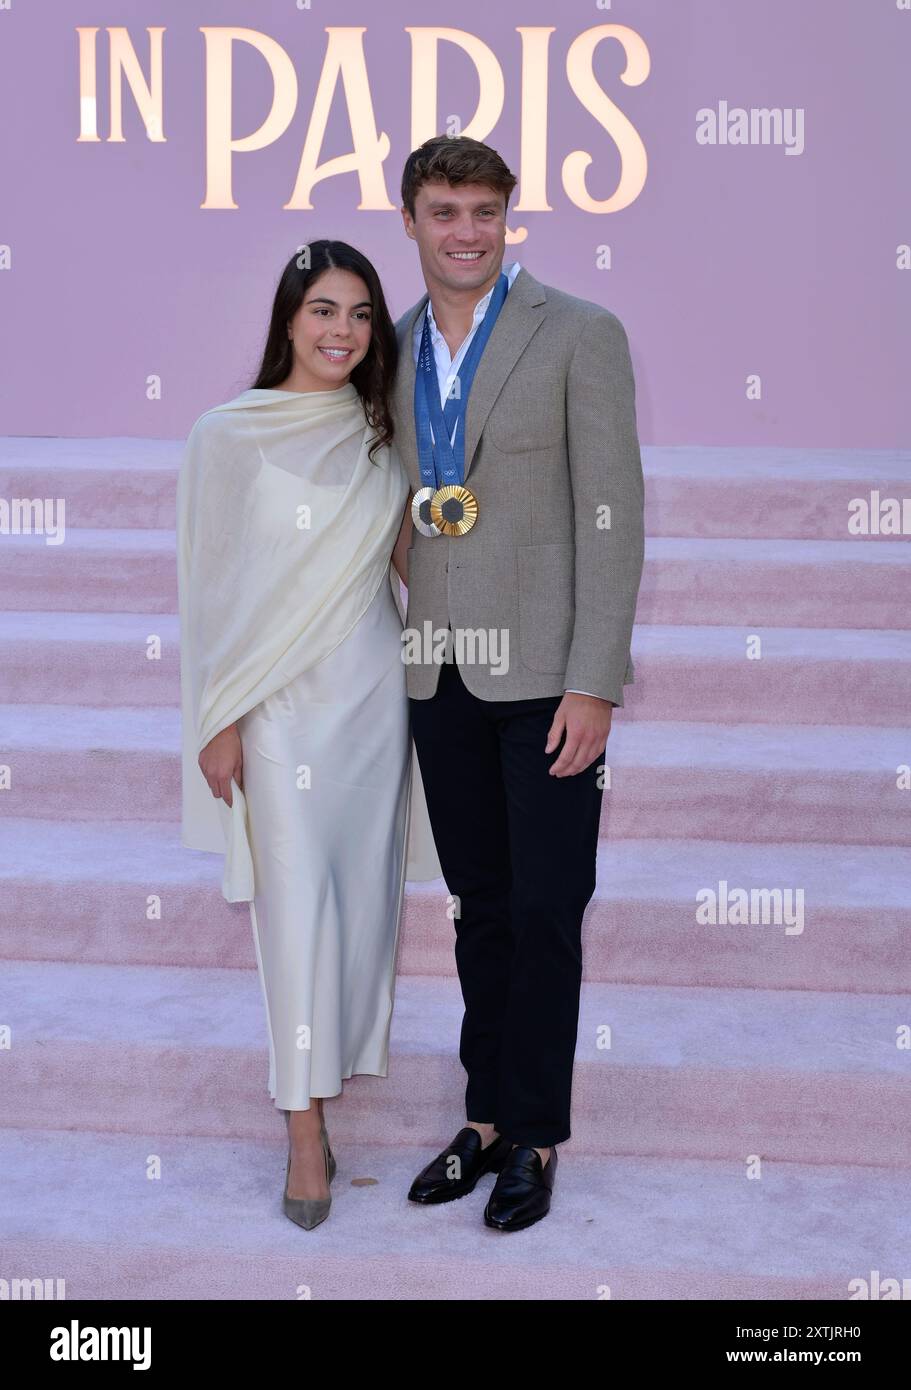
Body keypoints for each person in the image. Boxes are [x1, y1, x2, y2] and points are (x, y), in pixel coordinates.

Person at [393, 136, 645, 1231]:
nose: (465, 231)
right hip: (437, 673)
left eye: (483, 212)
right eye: (443, 210)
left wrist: (593, 682)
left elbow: (614, 514)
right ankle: (485, 1114)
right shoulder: (388, 347)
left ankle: (536, 1134)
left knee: (547, 910)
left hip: (548, 678)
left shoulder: (579, 333)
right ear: (410, 219)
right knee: (477, 909)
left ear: (507, 220)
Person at [176, 241, 440, 1232]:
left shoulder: (383, 433)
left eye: (361, 315)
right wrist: (218, 716)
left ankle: (325, 1087)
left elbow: (411, 565)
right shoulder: (227, 435)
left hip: (374, 705)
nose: (342, 331)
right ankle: (301, 1131)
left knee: (359, 910)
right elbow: (210, 589)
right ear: (287, 318)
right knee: (292, 915)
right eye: (322, 310)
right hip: (278, 707)